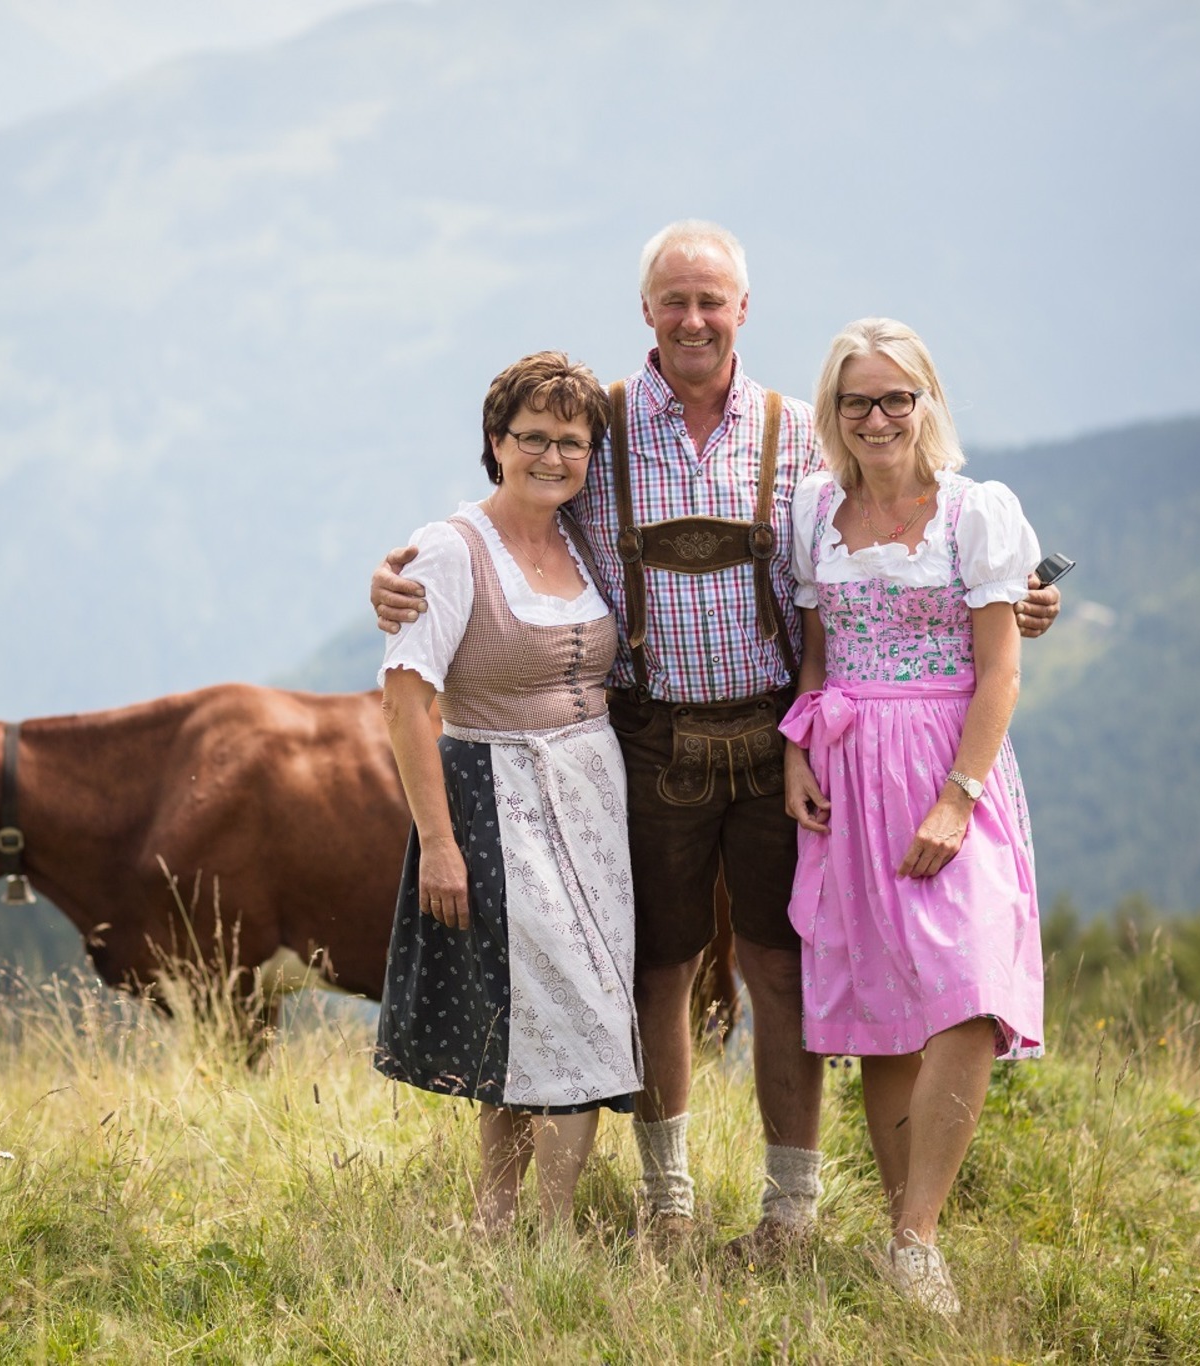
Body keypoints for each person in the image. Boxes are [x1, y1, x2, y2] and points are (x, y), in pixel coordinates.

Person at [371, 220, 1063, 1259]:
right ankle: (668, 1203)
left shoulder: (801, 436)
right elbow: (516, 514)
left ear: (742, 309)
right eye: (674, 300)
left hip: (779, 737)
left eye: (711, 300)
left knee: (780, 967)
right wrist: (400, 579)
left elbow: (888, 546)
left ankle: (789, 1211)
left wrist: (1023, 599)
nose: (692, 319)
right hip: (646, 737)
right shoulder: (597, 427)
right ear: (646, 311)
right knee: (659, 967)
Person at [778, 318, 1044, 1314]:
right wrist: (796, 750)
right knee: (886, 1015)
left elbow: (1000, 669)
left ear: (926, 402)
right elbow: (816, 654)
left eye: (897, 396)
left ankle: (918, 1233)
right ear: (834, 411)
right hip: (848, 771)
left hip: (947, 760)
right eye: (858, 400)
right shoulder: (815, 511)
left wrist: (958, 795)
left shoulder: (975, 511)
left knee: (970, 991)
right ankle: (903, 1241)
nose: (879, 416)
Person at [372, 350, 641, 1235]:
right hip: (496, 797)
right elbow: (405, 701)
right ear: (496, 442)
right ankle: (536, 1230)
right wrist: (439, 844)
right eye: (533, 438)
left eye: (572, 442)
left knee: (544, 1014)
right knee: (563, 1012)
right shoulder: (451, 550)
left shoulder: (581, 537)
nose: (552, 457)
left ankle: (509, 1224)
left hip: (593, 801)